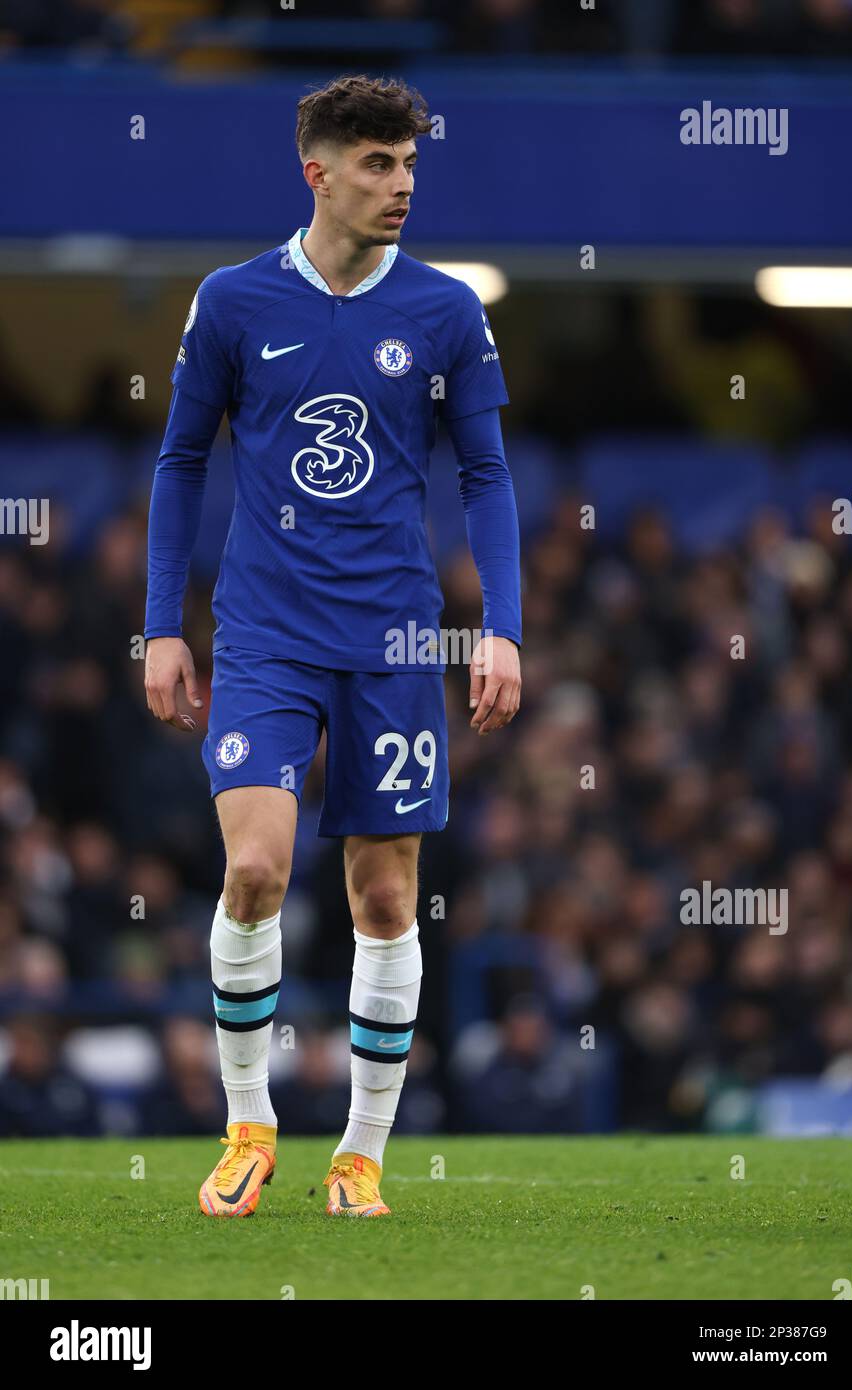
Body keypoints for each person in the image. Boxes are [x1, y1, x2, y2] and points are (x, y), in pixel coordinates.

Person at [143, 74, 522, 1218]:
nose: (401, 184)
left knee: (386, 904)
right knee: (254, 867)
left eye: (408, 164)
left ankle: (358, 1153)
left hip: (395, 638)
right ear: (317, 172)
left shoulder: (447, 310)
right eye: (376, 164)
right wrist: (164, 622)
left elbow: (488, 474)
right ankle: (249, 1120)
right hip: (263, 632)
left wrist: (500, 624)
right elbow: (179, 462)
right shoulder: (232, 301)